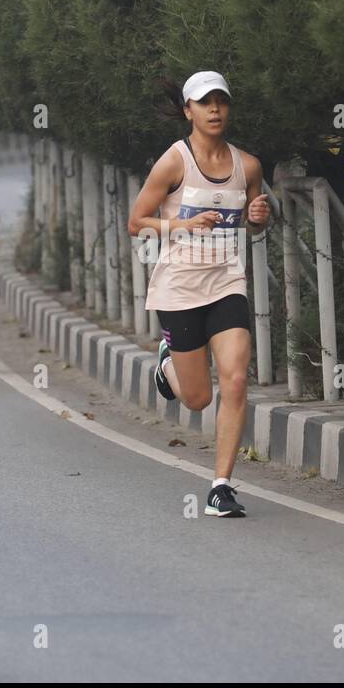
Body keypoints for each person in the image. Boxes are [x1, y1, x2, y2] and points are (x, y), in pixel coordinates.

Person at [127, 71, 270, 517]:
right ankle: (167, 364)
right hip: (179, 288)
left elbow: (255, 219)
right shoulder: (174, 162)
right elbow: (136, 221)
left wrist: (261, 214)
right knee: (198, 399)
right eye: (204, 103)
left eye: (221, 102)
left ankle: (220, 487)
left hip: (227, 282)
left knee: (236, 379)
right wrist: (180, 225)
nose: (214, 110)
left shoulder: (248, 165)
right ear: (188, 110)